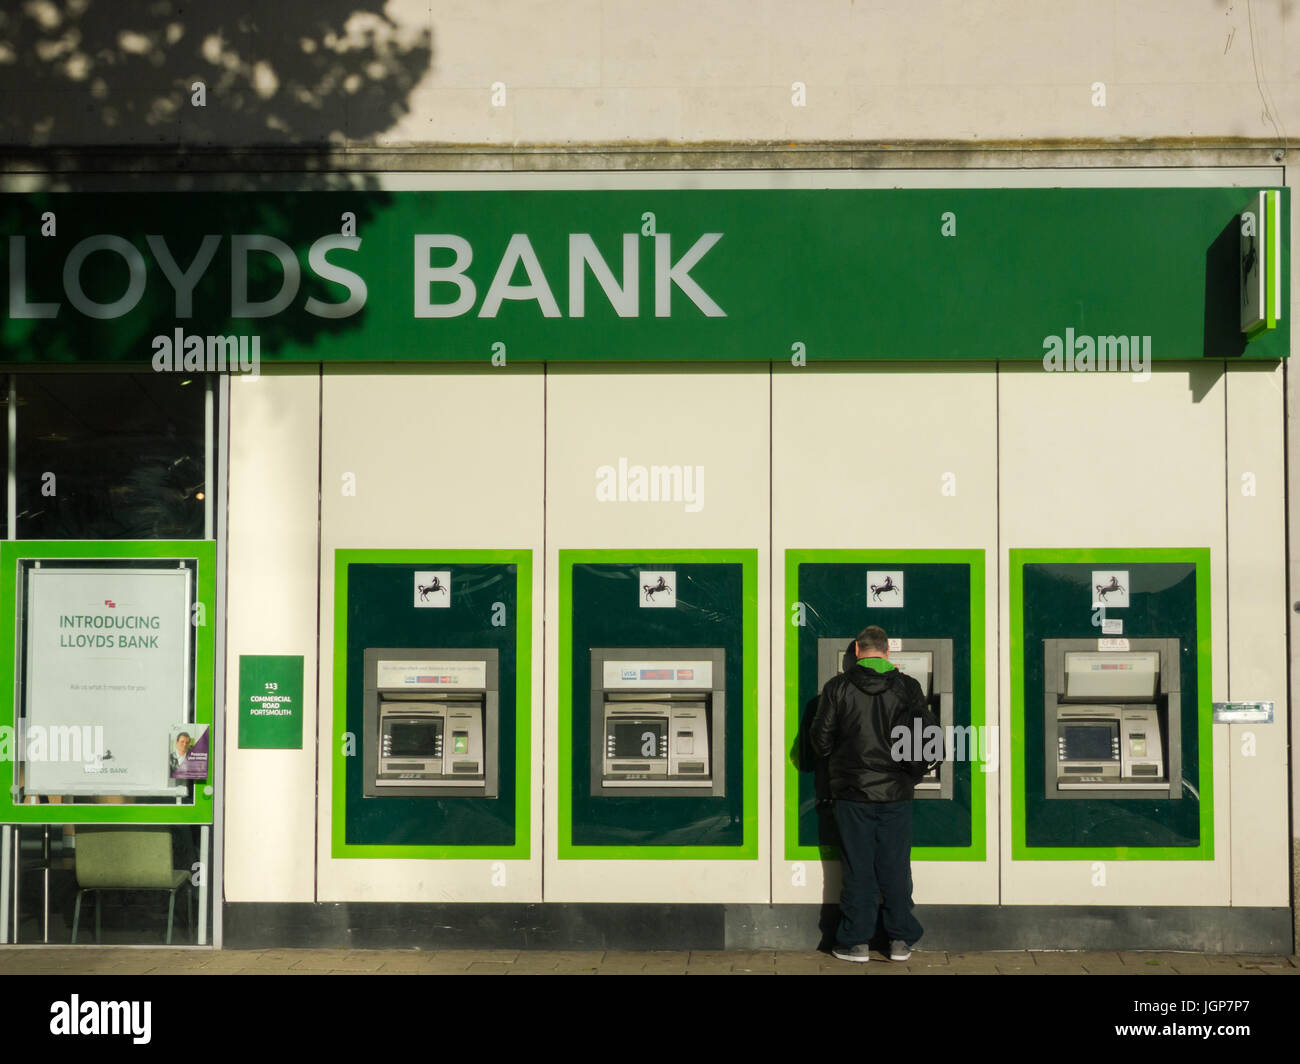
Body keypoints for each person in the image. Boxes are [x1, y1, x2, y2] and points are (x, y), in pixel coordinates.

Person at [810, 624, 940, 963]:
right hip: (896, 793)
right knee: (896, 866)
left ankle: (855, 942)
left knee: (858, 867)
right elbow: (926, 738)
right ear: (887, 651)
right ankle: (899, 940)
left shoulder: (837, 687)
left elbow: (820, 742)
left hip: (852, 795)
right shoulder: (908, 687)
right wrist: (910, 775)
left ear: (856, 652)